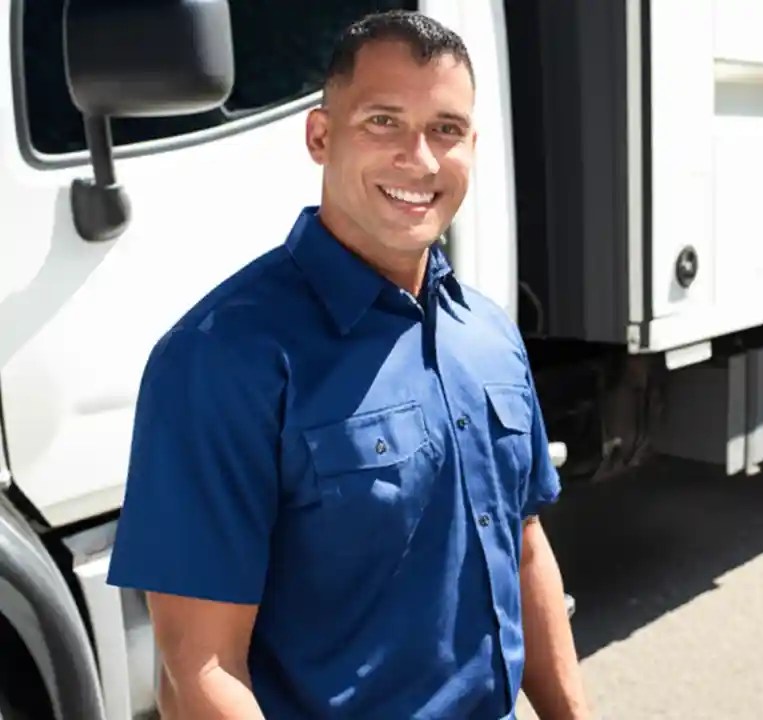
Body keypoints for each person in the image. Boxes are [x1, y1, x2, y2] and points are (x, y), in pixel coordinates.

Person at [107, 10, 590, 719]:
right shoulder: (221, 358)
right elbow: (198, 671)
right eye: (384, 122)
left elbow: (522, 548)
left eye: (445, 130)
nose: (420, 160)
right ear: (320, 135)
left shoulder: (487, 333)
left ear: (472, 146)